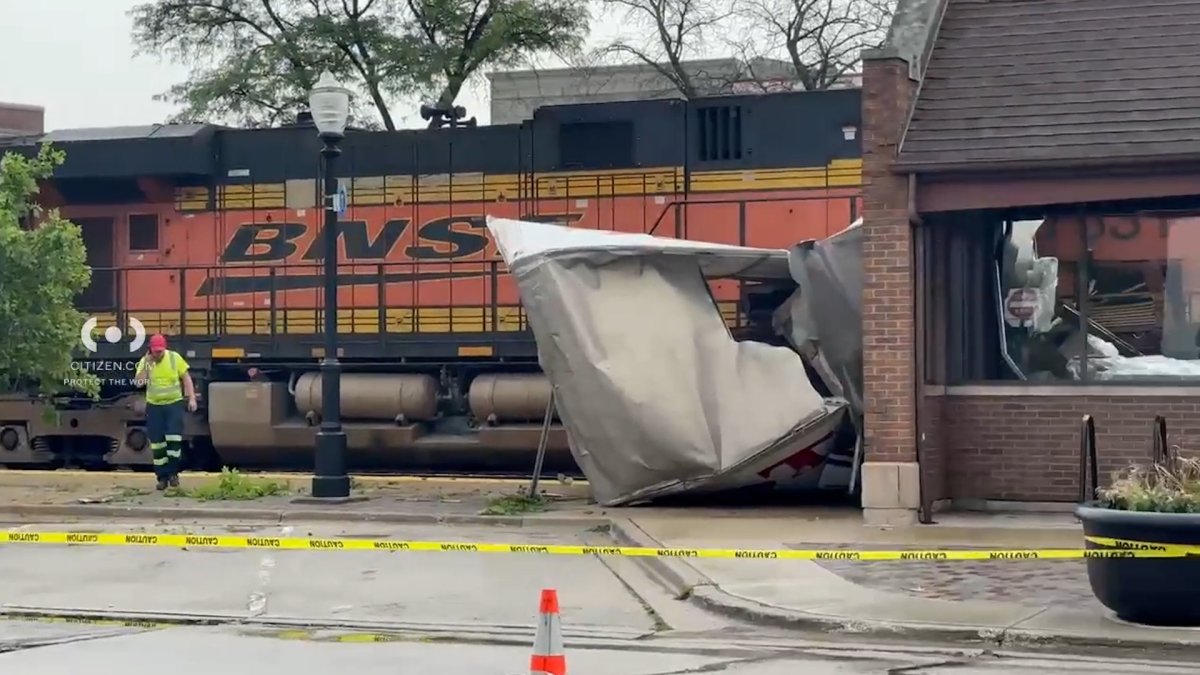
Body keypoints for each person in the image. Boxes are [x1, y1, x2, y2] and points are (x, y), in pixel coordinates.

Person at [133, 334, 198, 490]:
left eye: (160, 351)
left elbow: (186, 378)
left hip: (173, 405)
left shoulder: (174, 358)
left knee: (174, 439)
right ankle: (162, 477)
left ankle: (173, 474)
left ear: (165, 348)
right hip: (154, 407)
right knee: (157, 444)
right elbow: (138, 383)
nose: (158, 354)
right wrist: (147, 366)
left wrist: (192, 398)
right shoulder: (146, 362)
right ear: (150, 350)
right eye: (155, 352)